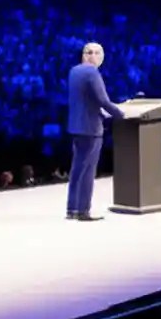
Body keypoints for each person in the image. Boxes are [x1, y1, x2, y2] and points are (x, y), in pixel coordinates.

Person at [67, 42, 125, 220]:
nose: (92, 56)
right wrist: (120, 113)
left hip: (77, 126)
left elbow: (86, 100)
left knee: (77, 169)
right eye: (89, 52)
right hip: (90, 128)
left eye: (96, 53)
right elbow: (103, 100)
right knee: (87, 170)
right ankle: (83, 210)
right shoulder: (92, 73)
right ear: (83, 55)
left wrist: (103, 111)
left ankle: (72, 208)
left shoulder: (74, 71)